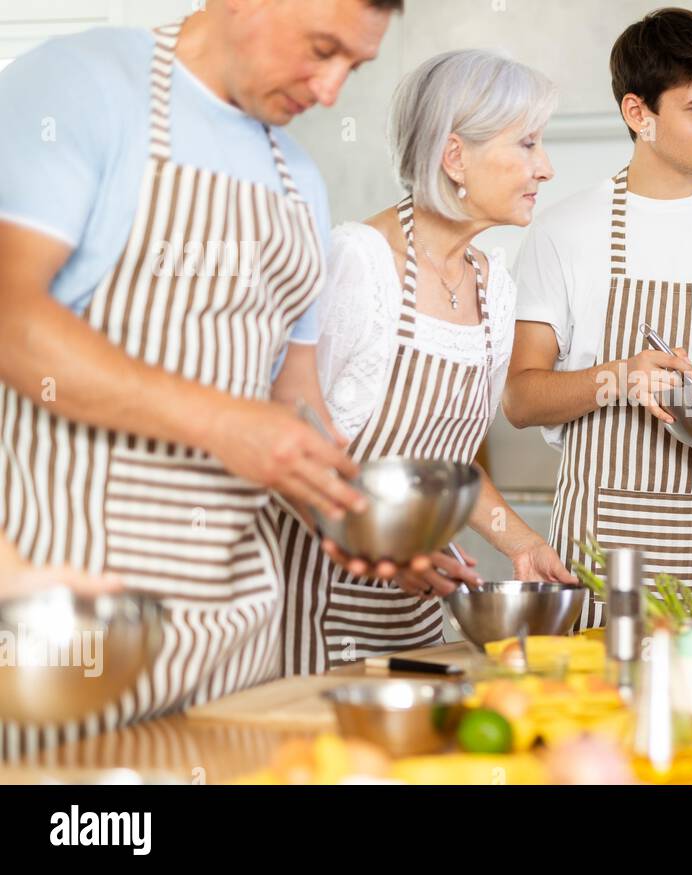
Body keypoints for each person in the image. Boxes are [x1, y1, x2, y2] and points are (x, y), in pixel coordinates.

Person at [0, 0, 398, 754]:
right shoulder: (78, 86)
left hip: (238, 642)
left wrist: (345, 505)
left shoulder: (299, 179)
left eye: (356, 64)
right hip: (77, 624)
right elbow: (12, 320)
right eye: (322, 48)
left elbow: (291, 398)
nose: (332, 90)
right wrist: (222, 423)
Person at [504, 8, 692, 628]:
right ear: (637, 113)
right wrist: (617, 378)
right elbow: (519, 397)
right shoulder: (565, 231)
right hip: (604, 553)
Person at [269, 50, 574, 675]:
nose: (545, 168)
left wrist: (525, 546)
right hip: (309, 609)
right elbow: (286, 435)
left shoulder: (493, 286)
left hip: (412, 614)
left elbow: (451, 467)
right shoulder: (359, 262)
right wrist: (380, 539)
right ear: (455, 155)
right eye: (527, 144)